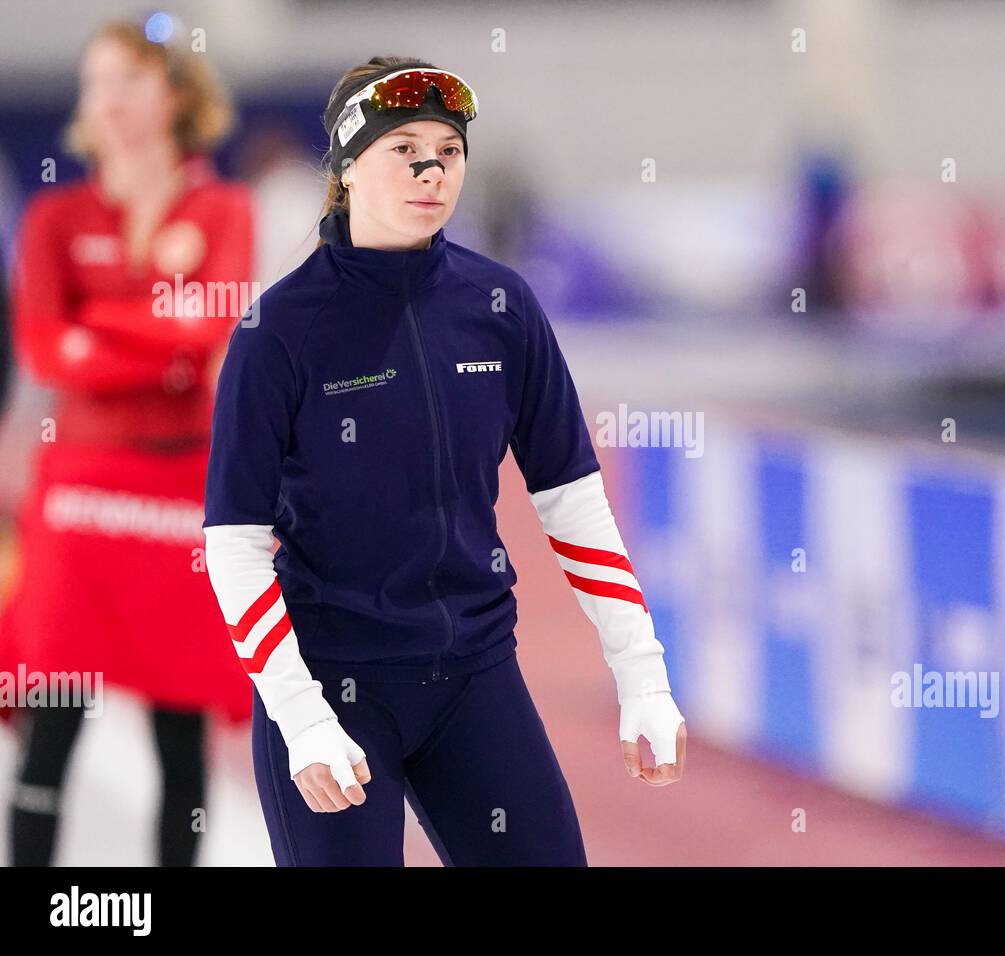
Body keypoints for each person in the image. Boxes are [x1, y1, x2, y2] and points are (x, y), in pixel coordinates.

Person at [202, 56, 686, 866]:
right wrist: (301, 714)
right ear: (349, 167)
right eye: (404, 149)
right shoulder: (277, 333)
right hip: (337, 685)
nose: (432, 170)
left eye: (449, 151)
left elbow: (572, 503)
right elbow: (233, 543)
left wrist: (642, 674)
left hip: (476, 680)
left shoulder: (499, 308)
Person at [1, 18, 255, 865]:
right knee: (51, 728)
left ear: (176, 95)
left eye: (129, 82)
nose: (108, 101)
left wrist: (97, 328)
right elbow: (43, 346)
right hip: (78, 491)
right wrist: (160, 335)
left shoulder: (223, 209)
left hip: (181, 494)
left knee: (180, 739)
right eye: (96, 83)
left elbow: (216, 318)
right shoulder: (55, 215)